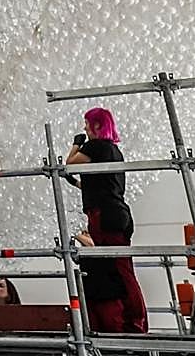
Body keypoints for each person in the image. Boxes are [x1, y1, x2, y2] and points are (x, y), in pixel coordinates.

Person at [66, 107, 148, 334]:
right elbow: (101, 185)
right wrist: (75, 183)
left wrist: (76, 144)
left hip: (106, 215)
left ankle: (135, 319)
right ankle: (132, 318)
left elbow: (71, 163)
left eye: (87, 123)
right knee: (121, 267)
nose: (84, 128)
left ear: (97, 125)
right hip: (116, 213)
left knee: (119, 268)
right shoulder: (113, 151)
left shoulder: (96, 146)